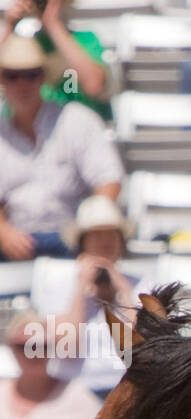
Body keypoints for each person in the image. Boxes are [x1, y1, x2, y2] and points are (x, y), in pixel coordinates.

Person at [0, 35, 123, 263]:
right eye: (12, 76)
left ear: (43, 78)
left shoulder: (77, 120)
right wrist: (4, 232)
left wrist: (89, 229)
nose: (22, 84)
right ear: (2, 81)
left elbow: (109, 181)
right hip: (13, 240)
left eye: (30, 75)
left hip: (72, 236)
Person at [42, 196, 151, 400]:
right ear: (83, 242)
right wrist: (80, 290)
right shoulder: (58, 287)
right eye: (96, 235)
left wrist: (124, 291)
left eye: (111, 234)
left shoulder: (141, 286)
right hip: (73, 391)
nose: (105, 241)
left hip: (127, 391)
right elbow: (66, 347)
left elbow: (140, 347)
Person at [0, 0, 111, 120]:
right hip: (26, 136)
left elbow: (94, 86)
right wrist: (8, 25)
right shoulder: (20, 45)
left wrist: (54, 26)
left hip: (74, 134)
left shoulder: (86, 39)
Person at [0, 310, 100, 419]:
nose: (34, 353)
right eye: (25, 346)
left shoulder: (77, 396)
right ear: (10, 347)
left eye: (42, 347)